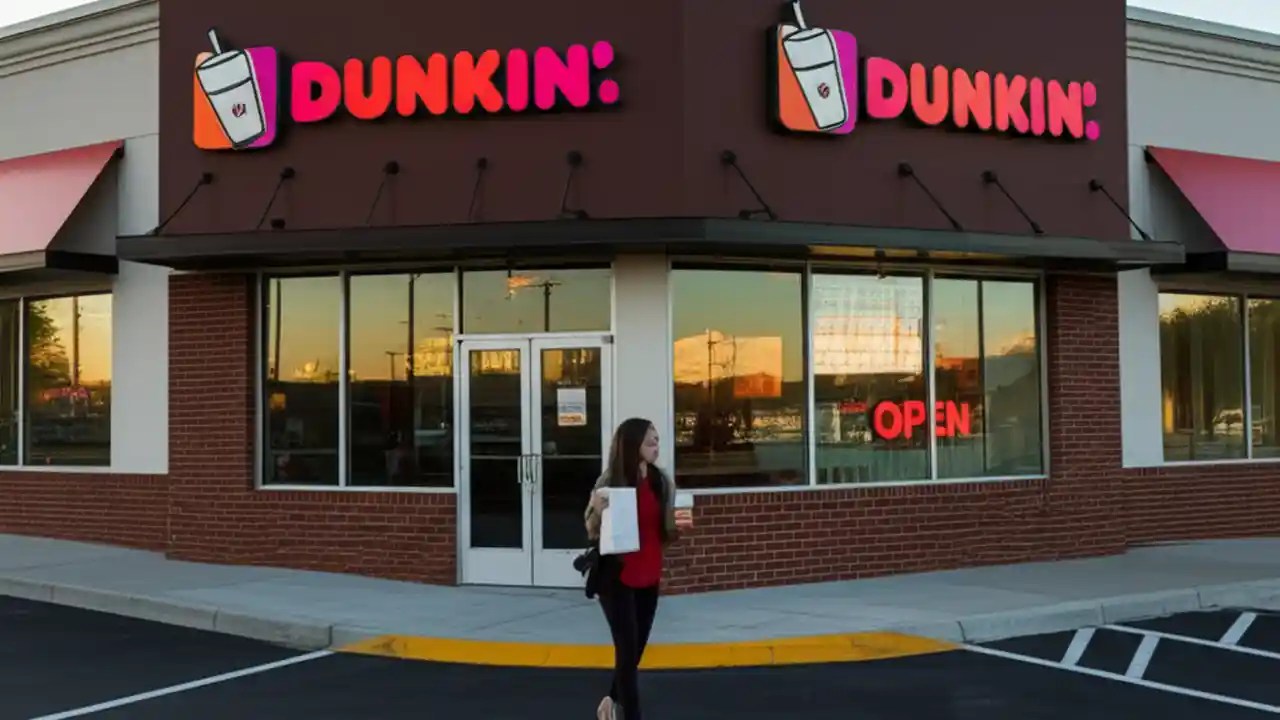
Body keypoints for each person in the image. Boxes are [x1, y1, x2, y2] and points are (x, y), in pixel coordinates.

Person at [584, 418, 680, 720]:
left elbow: (666, 528)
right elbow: (591, 529)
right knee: (626, 652)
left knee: (635, 650)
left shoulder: (661, 481)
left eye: (657, 441)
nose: (656, 447)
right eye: (650, 441)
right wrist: (597, 512)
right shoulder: (610, 481)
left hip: (650, 574)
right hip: (617, 577)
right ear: (632, 445)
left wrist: (680, 523)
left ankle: (610, 702)